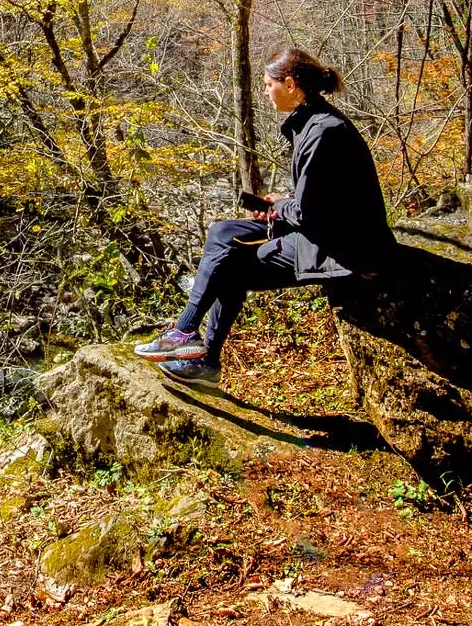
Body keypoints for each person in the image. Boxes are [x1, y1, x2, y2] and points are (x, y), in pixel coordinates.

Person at [134, 48, 395, 382]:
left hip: (346, 249)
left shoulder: (322, 131)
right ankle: (196, 349)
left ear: (290, 84)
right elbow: (321, 201)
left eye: (268, 84)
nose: (264, 92)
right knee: (222, 236)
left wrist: (278, 207)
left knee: (227, 257)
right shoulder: (315, 123)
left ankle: (191, 341)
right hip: (334, 235)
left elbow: (310, 212)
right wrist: (281, 204)